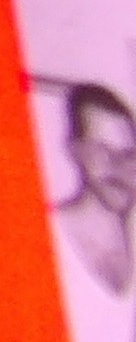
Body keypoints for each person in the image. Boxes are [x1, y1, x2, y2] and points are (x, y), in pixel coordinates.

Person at [64, 83, 136, 297]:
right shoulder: (51, 228)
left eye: (127, 154)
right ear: (76, 153)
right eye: (100, 152)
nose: (116, 168)